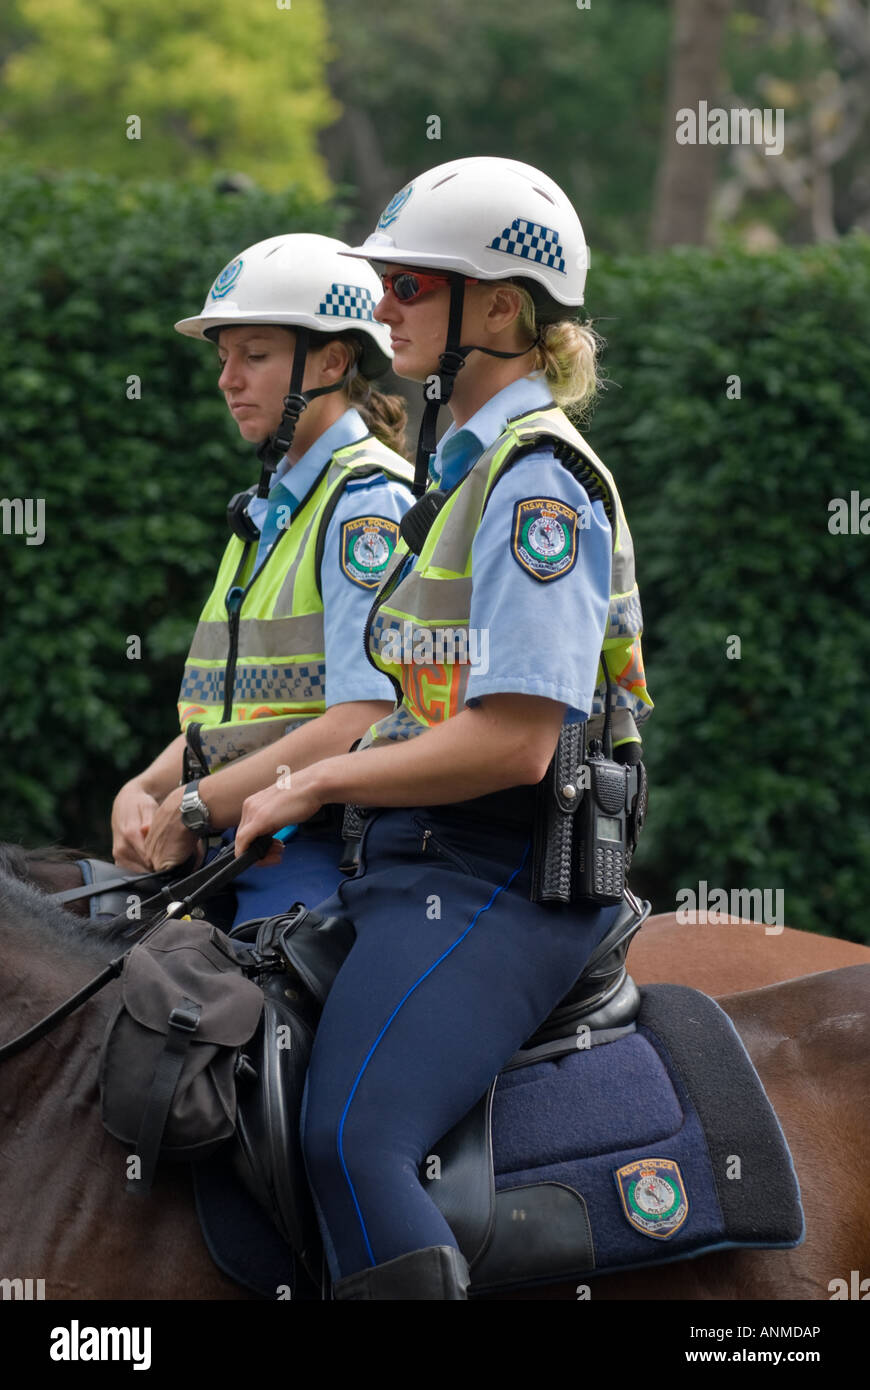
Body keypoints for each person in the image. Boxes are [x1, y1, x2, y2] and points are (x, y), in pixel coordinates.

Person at [234, 157, 653, 1298]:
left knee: (352, 1139)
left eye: (414, 283)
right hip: (413, 863)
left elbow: (516, 742)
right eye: (384, 282)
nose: (385, 306)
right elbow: (423, 708)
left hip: (503, 876)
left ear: (504, 310)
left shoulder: (539, 486)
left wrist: (318, 785)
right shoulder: (457, 475)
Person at [110, 234, 414, 921]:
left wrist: (193, 804)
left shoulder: (367, 503)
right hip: (236, 839)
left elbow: (362, 717)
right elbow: (236, 720)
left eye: (255, 355)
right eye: (224, 358)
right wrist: (143, 784)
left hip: (315, 848)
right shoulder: (268, 507)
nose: (228, 380)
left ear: (332, 360)